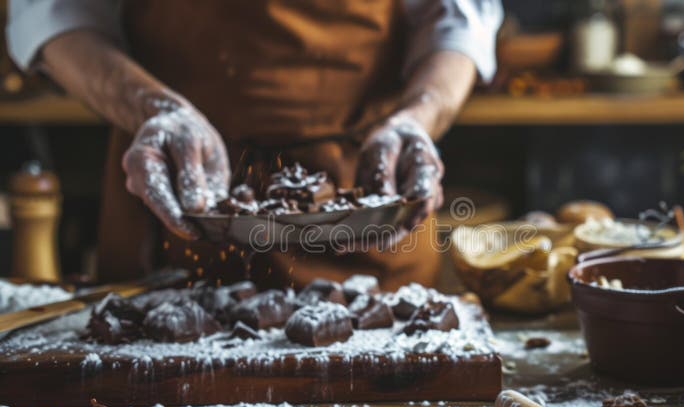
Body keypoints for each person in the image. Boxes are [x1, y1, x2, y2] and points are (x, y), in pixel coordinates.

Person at [7, 0, 502, 290]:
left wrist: (418, 117)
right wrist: (153, 110)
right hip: (178, 194)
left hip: (365, 205)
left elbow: (458, 20)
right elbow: (54, 14)